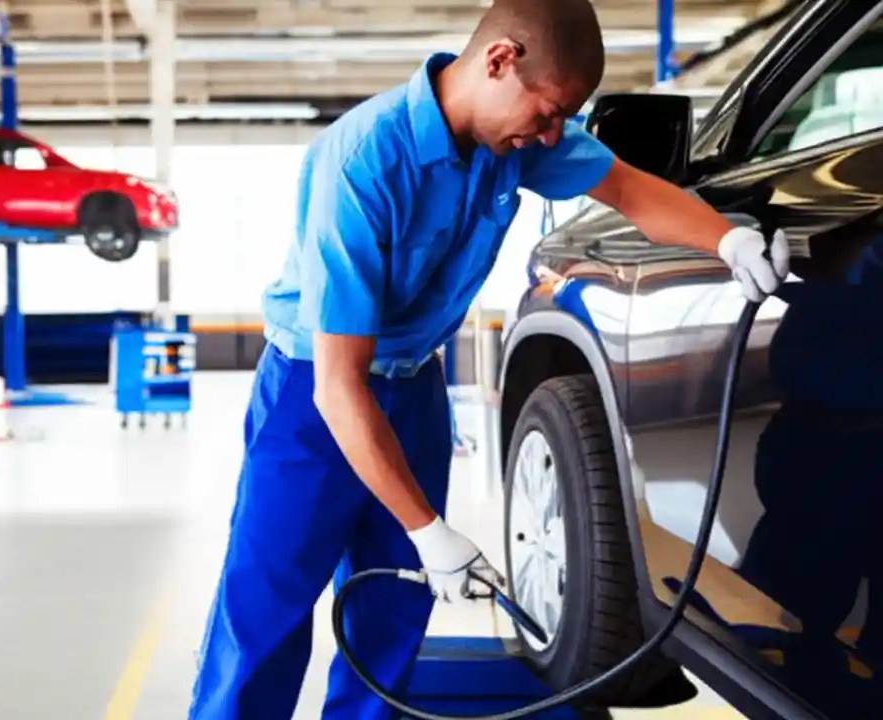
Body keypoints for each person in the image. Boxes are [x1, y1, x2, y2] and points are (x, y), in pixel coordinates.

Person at [189, 0, 791, 718]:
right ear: (500, 60)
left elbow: (629, 188)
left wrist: (727, 240)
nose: (553, 133)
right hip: (314, 397)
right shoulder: (361, 162)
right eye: (549, 112)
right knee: (266, 607)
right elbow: (338, 387)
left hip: (414, 386)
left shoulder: (515, 138)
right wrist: (428, 530)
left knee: (392, 612)